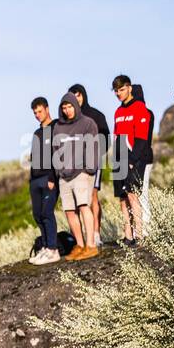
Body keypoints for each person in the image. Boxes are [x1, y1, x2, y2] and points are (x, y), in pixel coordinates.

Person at [52, 92, 101, 260]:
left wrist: (89, 169)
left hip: (81, 173)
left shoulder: (87, 123)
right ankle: (79, 245)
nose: (67, 110)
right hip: (64, 177)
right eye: (64, 107)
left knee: (83, 206)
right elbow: (55, 150)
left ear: (76, 105)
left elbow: (94, 147)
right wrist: (59, 171)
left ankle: (91, 245)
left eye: (70, 106)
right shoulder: (58, 127)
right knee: (69, 211)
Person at [111, 75, 150, 245]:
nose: (118, 93)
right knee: (122, 198)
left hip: (134, 159)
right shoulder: (118, 112)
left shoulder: (140, 108)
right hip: (119, 158)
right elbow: (117, 136)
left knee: (133, 196)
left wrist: (132, 160)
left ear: (129, 88)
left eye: (121, 89)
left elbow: (142, 138)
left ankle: (139, 235)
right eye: (116, 91)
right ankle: (128, 235)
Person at [68, 84, 109, 246]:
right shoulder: (68, 119)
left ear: (83, 95)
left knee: (92, 196)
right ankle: (79, 239)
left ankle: (96, 234)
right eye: (73, 96)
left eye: (78, 95)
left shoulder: (96, 115)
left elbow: (106, 139)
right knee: (76, 200)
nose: (76, 99)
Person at [27, 96, 61, 265]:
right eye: (35, 113)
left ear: (47, 109)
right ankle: (46, 248)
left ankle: (53, 249)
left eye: (40, 111)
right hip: (35, 180)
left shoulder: (56, 128)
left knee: (47, 213)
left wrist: (52, 177)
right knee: (38, 215)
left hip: (49, 179)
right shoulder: (36, 133)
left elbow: (58, 154)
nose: (38, 115)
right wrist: (31, 179)